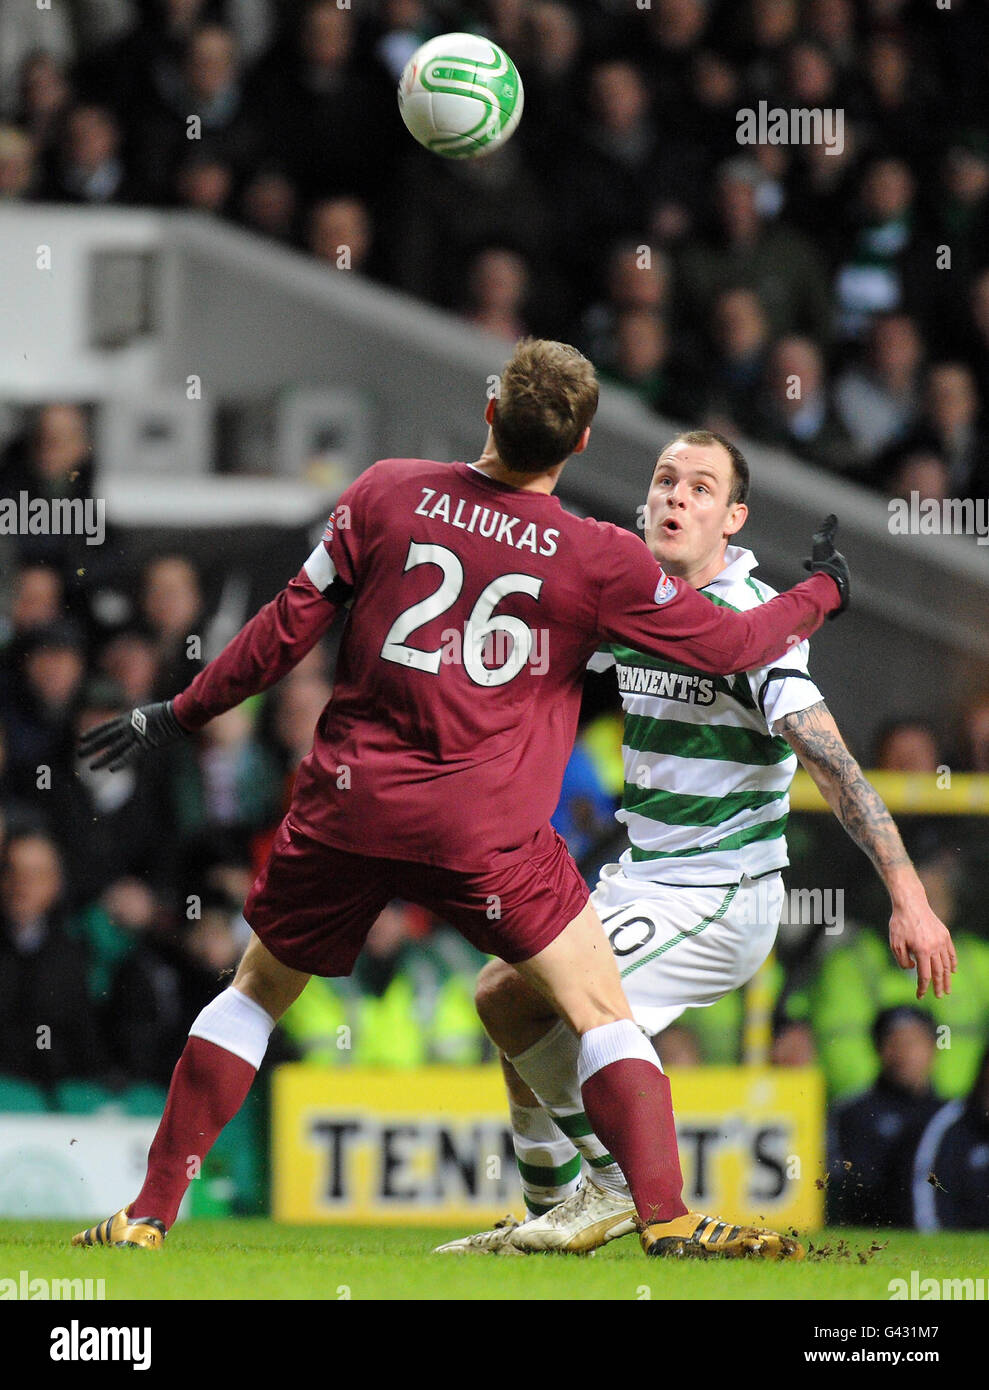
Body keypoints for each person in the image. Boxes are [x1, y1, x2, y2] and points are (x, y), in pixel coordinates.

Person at [71, 339, 845, 1259]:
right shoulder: (596, 555)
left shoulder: (385, 491)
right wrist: (822, 592)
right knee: (598, 1010)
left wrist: (179, 711)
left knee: (254, 993)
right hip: (487, 832)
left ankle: (149, 1215)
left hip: (349, 811)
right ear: (583, 442)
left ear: (488, 413)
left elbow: (284, 629)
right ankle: (664, 1216)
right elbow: (729, 646)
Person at [435, 427, 954, 1256]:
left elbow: (831, 763)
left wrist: (910, 898)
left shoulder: (752, 623)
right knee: (505, 996)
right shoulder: (634, 600)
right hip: (640, 875)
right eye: (665, 480)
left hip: (718, 895)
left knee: (571, 1010)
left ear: (733, 520)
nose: (675, 496)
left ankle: (621, 1198)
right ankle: (550, 1205)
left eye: (700, 488)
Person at [827, 1006, 942, 1228]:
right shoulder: (852, 1114)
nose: (904, 1053)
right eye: (894, 1042)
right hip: (869, 1225)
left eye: (913, 1042)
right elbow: (844, 1185)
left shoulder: (950, 1115)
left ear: (933, 1047)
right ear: (878, 1049)